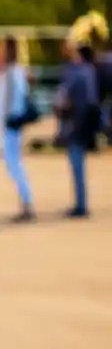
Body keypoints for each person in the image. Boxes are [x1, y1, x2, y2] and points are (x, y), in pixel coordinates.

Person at [55, 42, 101, 218]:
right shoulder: (89, 71)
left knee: (77, 164)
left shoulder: (73, 73)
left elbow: (62, 98)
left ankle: (81, 204)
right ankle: (81, 202)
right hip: (86, 122)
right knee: (79, 163)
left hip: (75, 122)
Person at [0, 35, 34, 222]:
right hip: (10, 123)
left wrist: (6, 120)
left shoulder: (11, 73)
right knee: (13, 163)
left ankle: (27, 203)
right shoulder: (12, 72)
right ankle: (26, 202)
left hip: (11, 124)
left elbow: (10, 101)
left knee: (14, 164)